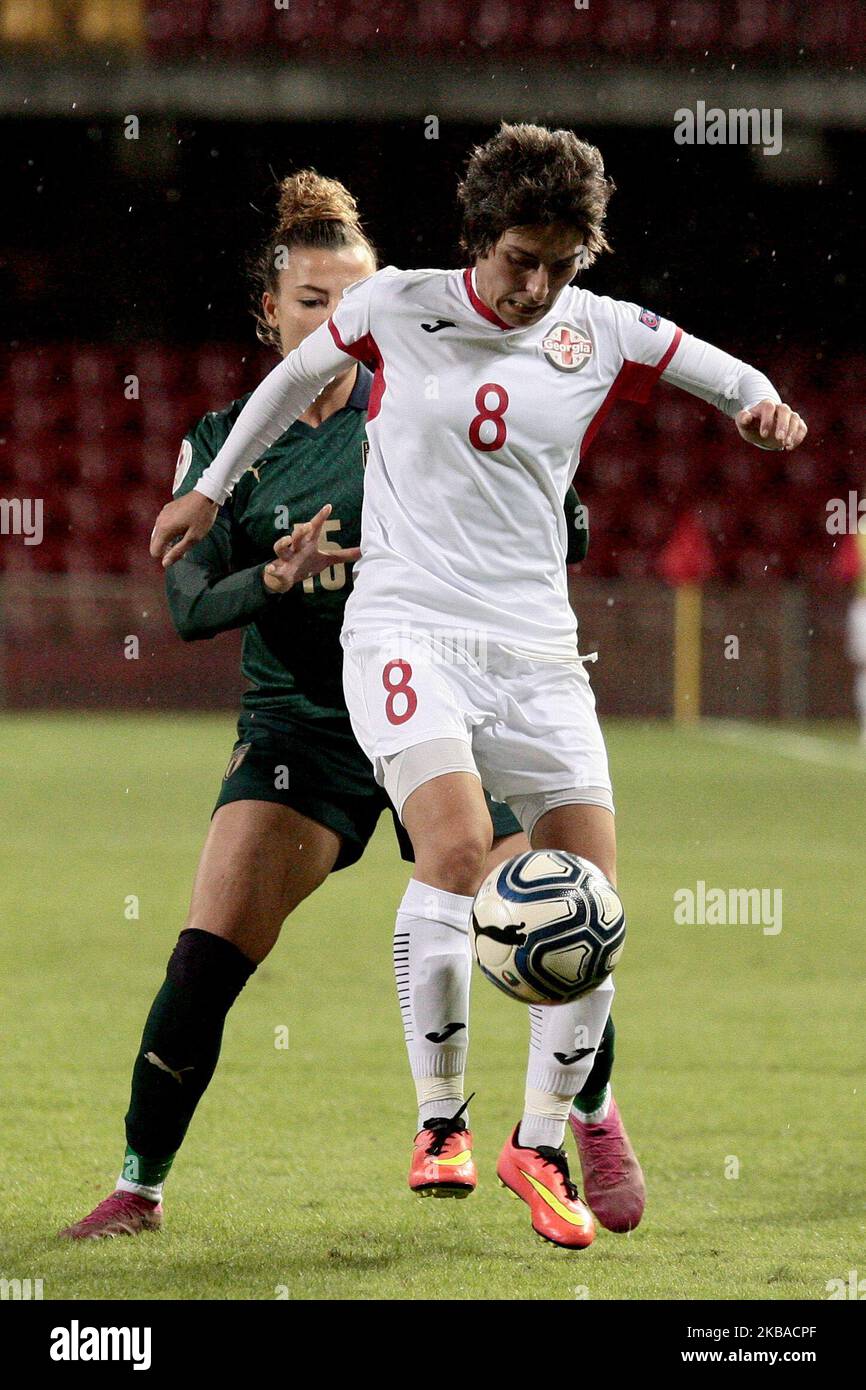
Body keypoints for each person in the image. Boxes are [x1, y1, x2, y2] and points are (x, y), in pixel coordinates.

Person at [157, 121, 807, 1250]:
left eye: (558, 262)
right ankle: (439, 1122)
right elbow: (289, 382)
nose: (535, 284)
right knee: (455, 852)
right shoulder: (396, 303)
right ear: (477, 239)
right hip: (407, 629)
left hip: (536, 651)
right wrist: (210, 496)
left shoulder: (597, 327)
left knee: (594, 908)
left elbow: (724, 372)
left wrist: (758, 406)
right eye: (518, 258)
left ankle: (538, 1138)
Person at [61, 169, 629, 1242]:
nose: (339, 319)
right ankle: (139, 1185)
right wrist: (274, 580)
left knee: (561, 905)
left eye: (352, 296)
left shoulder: (427, 393)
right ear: (268, 312)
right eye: (312, 301)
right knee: (206, 952)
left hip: (445, 711)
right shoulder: (233, 439)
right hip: (305, 734)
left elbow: (557, 522)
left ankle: (586, 1113)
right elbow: (184, 604)